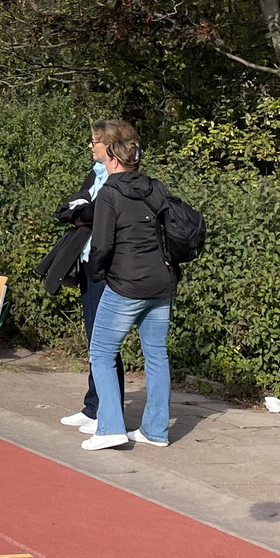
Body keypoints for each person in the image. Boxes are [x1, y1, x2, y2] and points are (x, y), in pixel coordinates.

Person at [81, 120, 179, 451]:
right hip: (161, 282)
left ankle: (110, 426)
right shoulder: (156, 187)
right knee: (156, 355)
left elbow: (101, 244)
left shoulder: (109, 192)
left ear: (114, 159)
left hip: (126, 283)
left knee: (101, 352)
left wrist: (97, 274)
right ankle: (155, 430)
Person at [58, 129, 125, 433]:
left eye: (94, 141)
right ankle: (93, 406)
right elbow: (71, 207)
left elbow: (93, 212)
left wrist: (82, 211)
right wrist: (80, 211)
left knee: (104, 341)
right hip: (87, 263)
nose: (89, 145)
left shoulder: (117, 178)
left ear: (109, 145)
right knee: (93, 338)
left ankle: (109, 411)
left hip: (105, 266)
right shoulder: (95, 173)